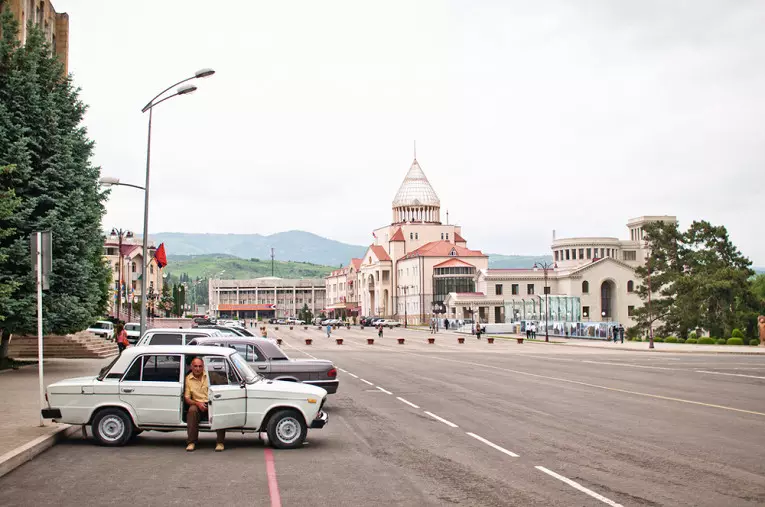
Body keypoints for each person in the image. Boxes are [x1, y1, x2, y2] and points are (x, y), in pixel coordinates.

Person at [185, 357, 225, 452]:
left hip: (211, 403)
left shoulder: (211, 375)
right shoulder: (188, 379)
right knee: (192, 411)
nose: (198, 369)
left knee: (220, 410)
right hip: (197, 404)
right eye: (195, 366)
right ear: (191, 367)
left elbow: (224, 384)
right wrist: (198, 404)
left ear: (203, 367)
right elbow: (187, 398)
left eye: (200, 366)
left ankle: (220, 442)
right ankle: (191, 442)